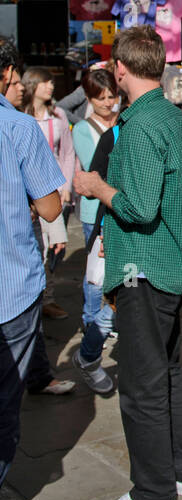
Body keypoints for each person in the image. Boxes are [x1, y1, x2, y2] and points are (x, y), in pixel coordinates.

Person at [74, 26, 182, 500]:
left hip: (145, 270)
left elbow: (138, 207)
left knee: (141, 386)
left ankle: (153, 492)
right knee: (167, 372)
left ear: (121, 69)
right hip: (170, 265)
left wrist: (96, 186)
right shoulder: (175, 118)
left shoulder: (141, 126)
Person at [0, 37, 67, 500]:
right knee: (4, 405)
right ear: (5, 74)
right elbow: (48, 208)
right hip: (11, 289)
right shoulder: (18, 128)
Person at [71, 69, 121, 394]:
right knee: (95, 275)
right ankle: (92, 322)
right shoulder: (83, 129)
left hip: (116, 207)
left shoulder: (122, 123)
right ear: (89, 100)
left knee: (111, 274)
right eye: (101, 99)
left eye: (111, 97)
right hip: (95, 211)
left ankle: (101, 325)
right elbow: (94, 171)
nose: (108, 104)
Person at [22, 67, 76, 318]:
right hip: (30, 193)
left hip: (54, 191)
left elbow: (67, 153)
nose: (51, 87)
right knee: (36, 246)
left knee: (56, 246)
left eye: (52, 83)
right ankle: (37, 296)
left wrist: (65, 186)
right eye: (45, 83)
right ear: (32, 85)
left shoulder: (58, 116)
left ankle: (48, 297)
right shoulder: (21, 117)